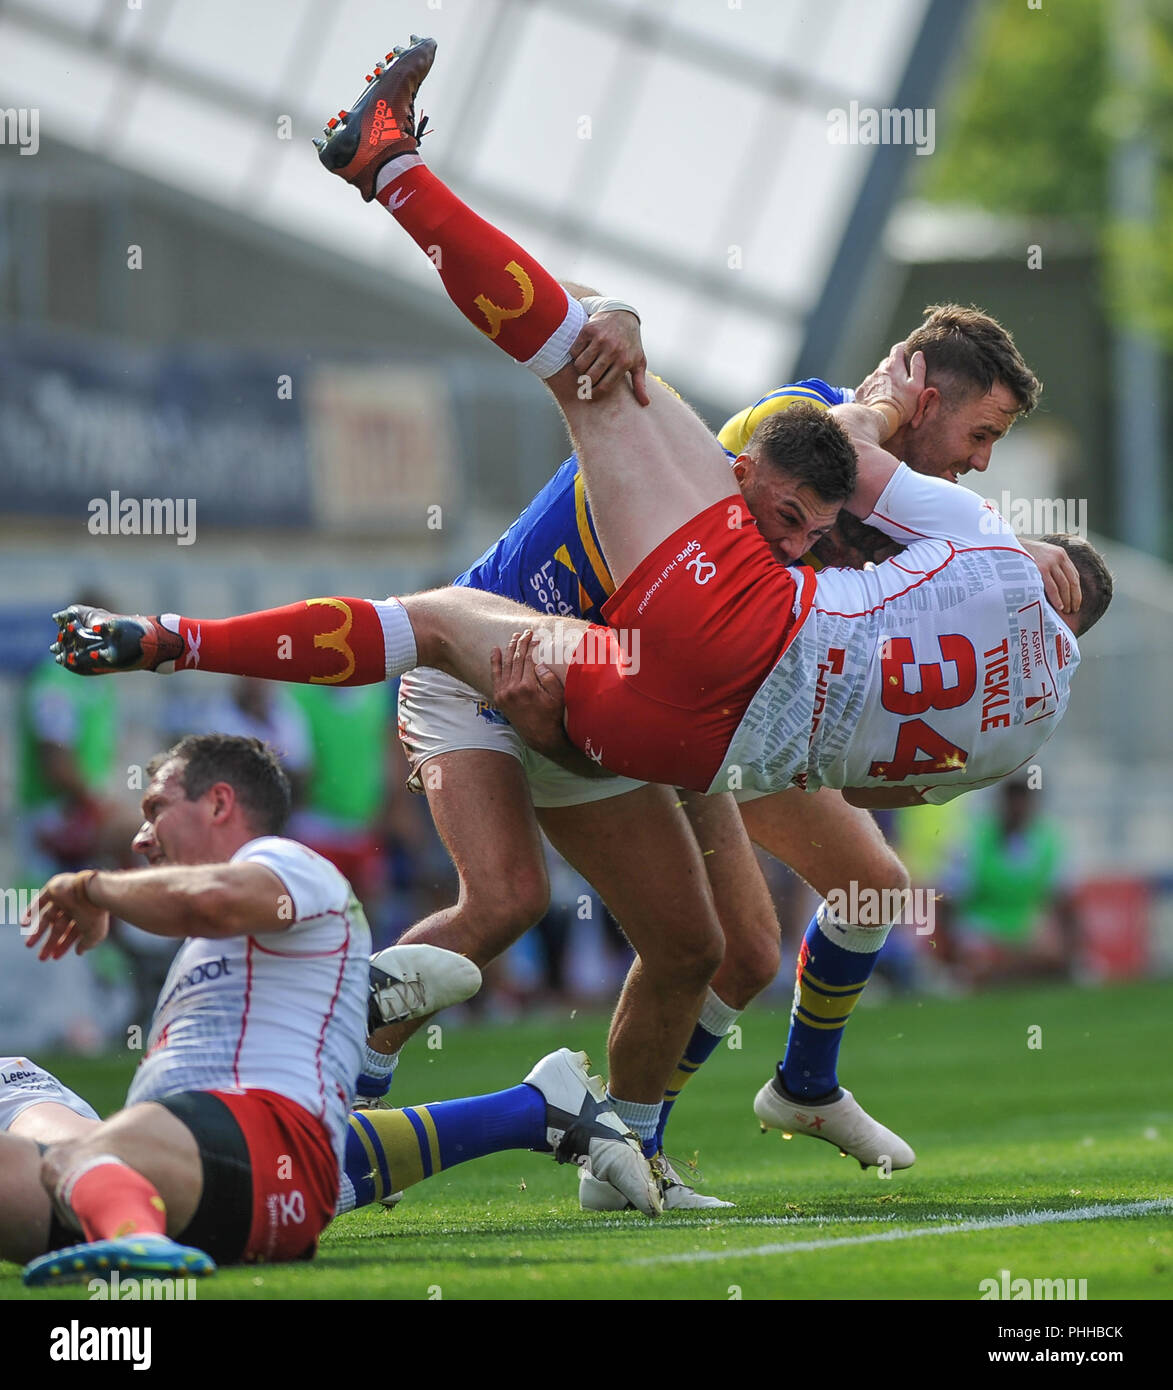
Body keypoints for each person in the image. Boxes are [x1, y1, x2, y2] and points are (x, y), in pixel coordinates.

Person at [49, 36, 1111, 1177]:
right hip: (523, 666)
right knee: (500, 904)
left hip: (643, 687)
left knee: (738, 943)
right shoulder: (805, 435)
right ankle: (329, 1101)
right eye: (981, 436)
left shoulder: (891, 521)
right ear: (922, 385)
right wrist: (620, 314)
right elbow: (677, 429)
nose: (979, 468)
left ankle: (649, 1137)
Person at [7, 733, 657, 1286]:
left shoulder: (282, 862)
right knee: (37, 1166)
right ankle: (386, 1029)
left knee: (76, 1158)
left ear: (219, 802)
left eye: (156, 809)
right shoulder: (222, 946)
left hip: (259, 1150)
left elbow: (211, 901)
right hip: (244, 1189)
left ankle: (135, 1244)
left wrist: (89, 886)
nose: (142, 837)